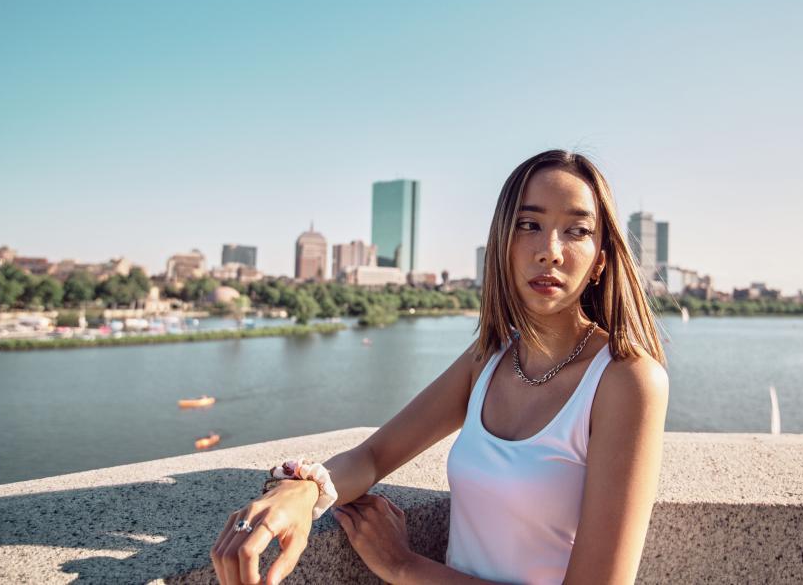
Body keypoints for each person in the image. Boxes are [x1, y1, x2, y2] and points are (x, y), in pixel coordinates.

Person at [211, 150, 669, 585]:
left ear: (600, 262)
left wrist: (404, 567)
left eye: (576, 231)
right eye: (529, 224)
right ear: (502, 246)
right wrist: (303, 491)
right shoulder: (488, 360)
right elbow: (373, 457)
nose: (549, 250)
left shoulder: (626, 380)